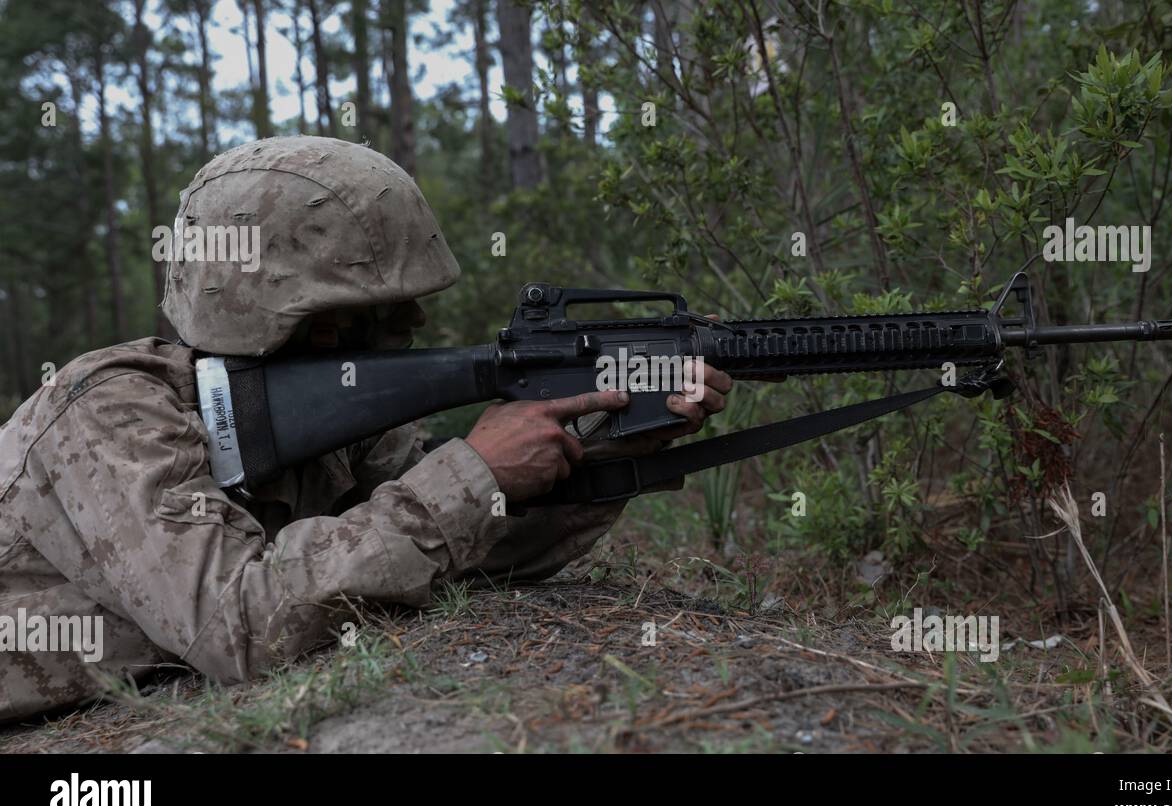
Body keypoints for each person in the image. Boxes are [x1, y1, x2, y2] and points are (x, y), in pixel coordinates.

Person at [0, 136, 733, 723]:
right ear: (279, 311)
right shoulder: (106, 413)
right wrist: (473, 472)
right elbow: (237, 627)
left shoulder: (338, 413)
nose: (412, 322)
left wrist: (606, 447)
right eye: (376, 305)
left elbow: (456, 554)